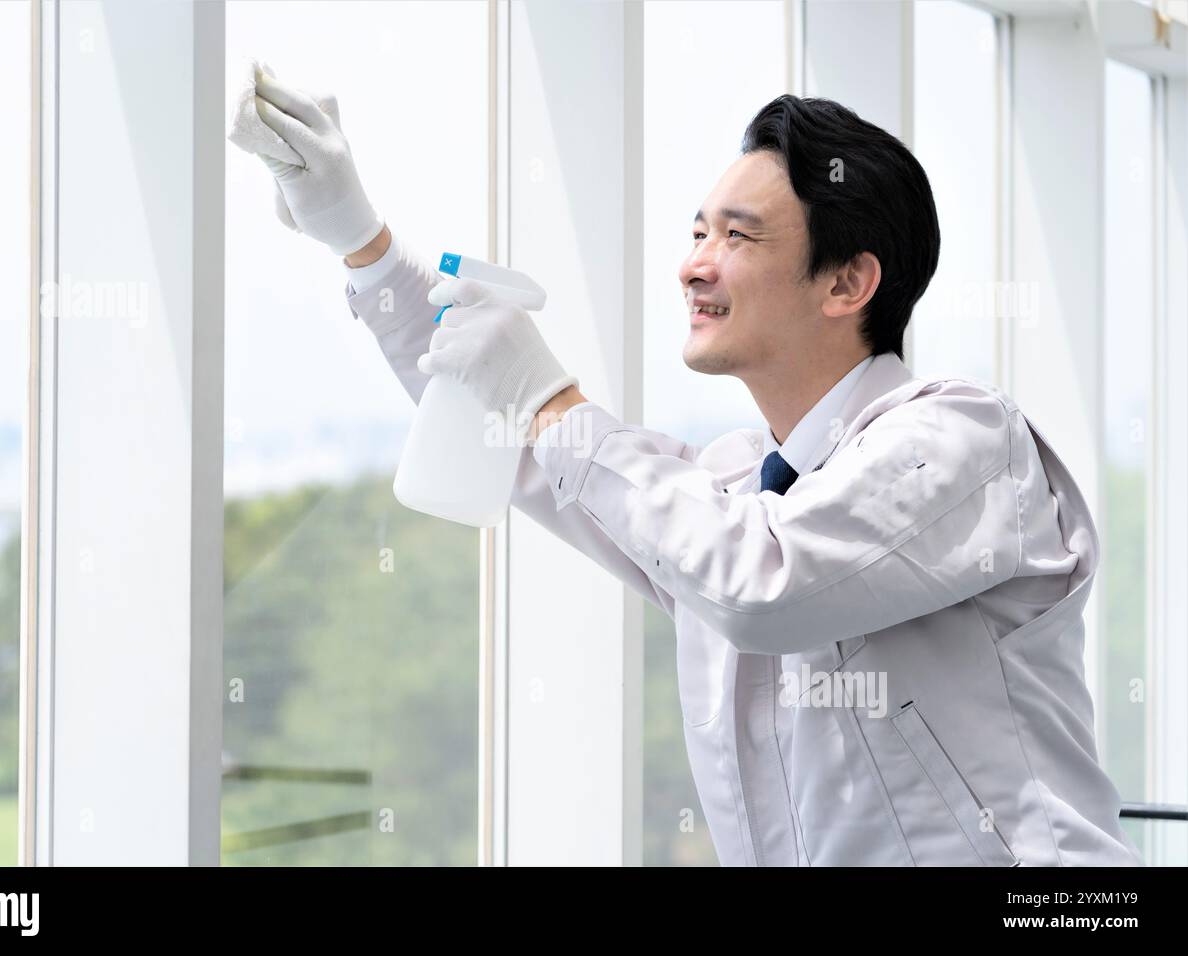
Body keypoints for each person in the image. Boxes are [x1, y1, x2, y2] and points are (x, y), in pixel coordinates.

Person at [245, 73, 1142, 866]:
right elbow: (522, 450)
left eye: (738, 238)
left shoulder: (961, 439)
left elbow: (763, 585)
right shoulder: (732, 491)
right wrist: (361, 241)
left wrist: (551, 401)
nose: (692, 265)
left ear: (847, 284)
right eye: (698, 231)